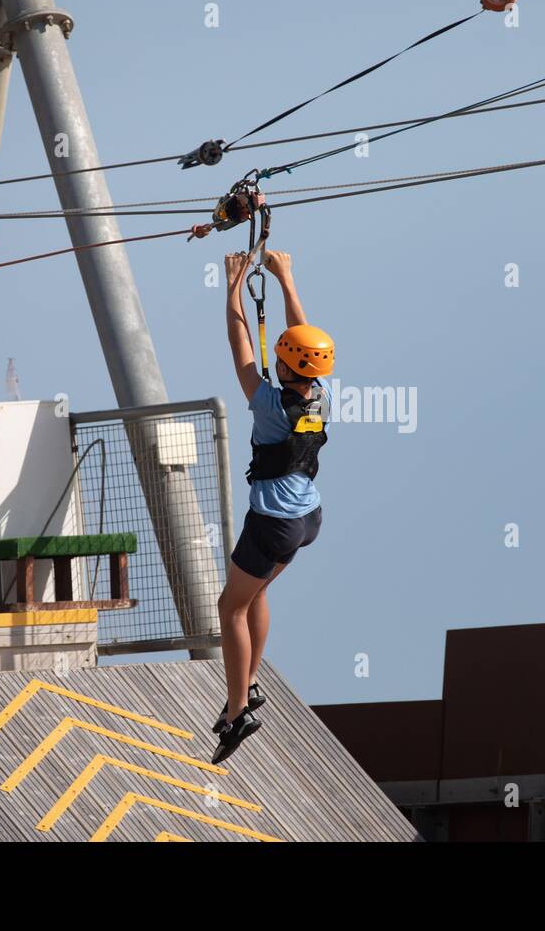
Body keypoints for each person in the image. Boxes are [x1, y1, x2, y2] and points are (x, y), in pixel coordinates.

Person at [212, 249, 335, 764]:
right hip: (307, 518)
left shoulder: (267, 403)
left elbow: (240, 345)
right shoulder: (320, 394)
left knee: (229, 607)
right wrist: (286, 279)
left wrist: (233, 288)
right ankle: (253, 678)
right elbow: (304, 340)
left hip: (274, 522)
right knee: (255, 591)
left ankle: (237, 709)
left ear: (285, 363)